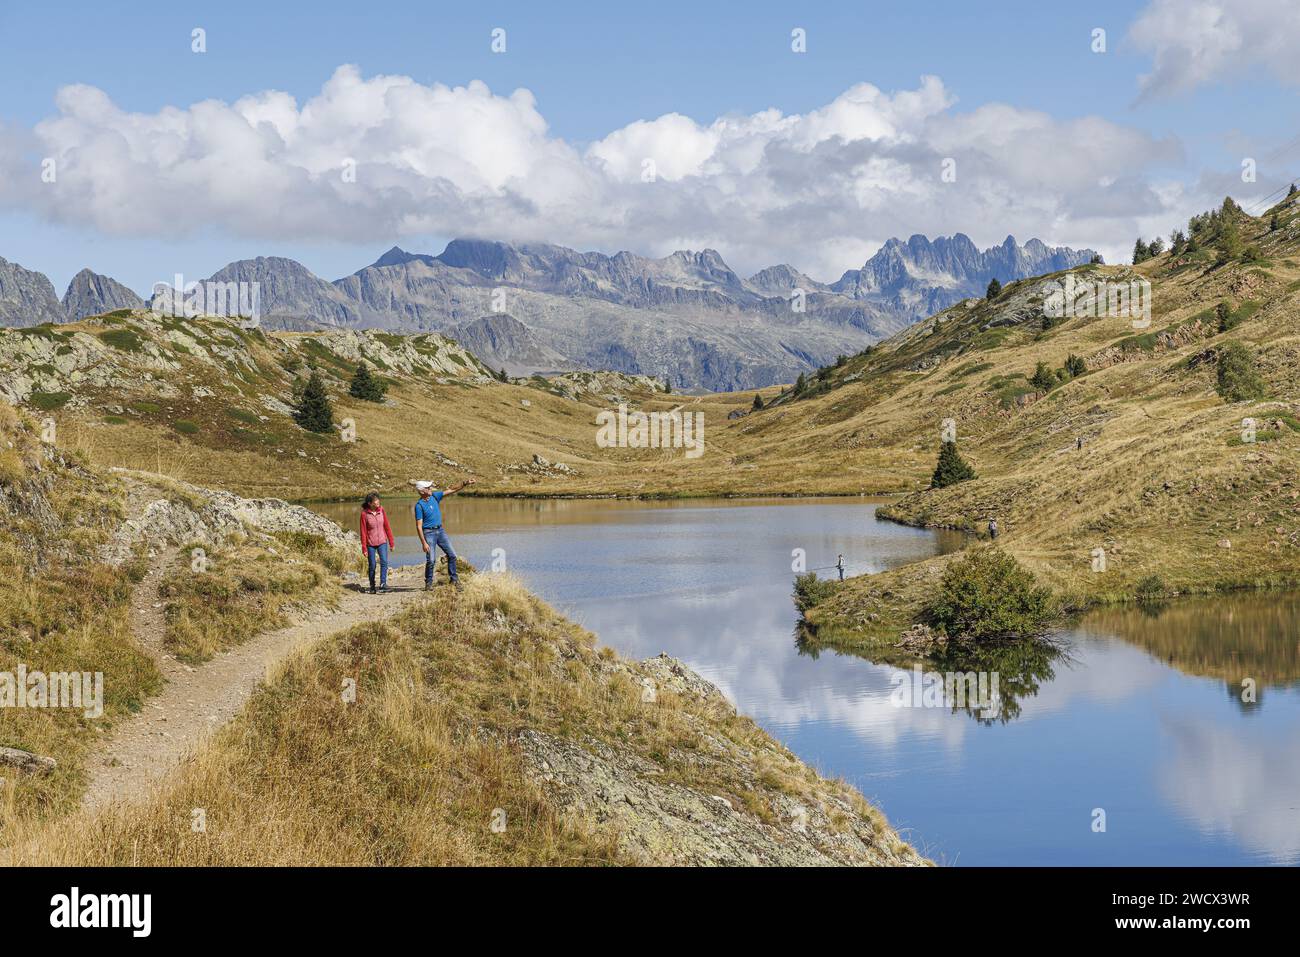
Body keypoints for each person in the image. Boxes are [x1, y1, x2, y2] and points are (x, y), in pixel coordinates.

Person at [413, 478, 475, 590]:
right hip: (428, 533)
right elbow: (418, 526)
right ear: (422, 491)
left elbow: (452, 490)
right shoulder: (419, 505)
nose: (430, 488)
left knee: (452, 555)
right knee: (431, 560)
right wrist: (423, 543)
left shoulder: (435, 496)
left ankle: (454, 580)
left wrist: (464, 483)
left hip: (440, 531)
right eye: (427, 488)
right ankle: (429, 583)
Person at [359, 492, 395, 594]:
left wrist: (391, 542)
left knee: (384, 562)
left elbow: (387, 526)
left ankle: (383, 584)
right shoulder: (364, 514)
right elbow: (363, 532)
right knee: (373, 565)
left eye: (378, 499)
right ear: (370, 503)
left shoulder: (381, 510)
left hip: (382, 542)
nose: (378, 501)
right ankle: (372, 586)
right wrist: (364, 548)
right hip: (370, 543)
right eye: (375, 500)